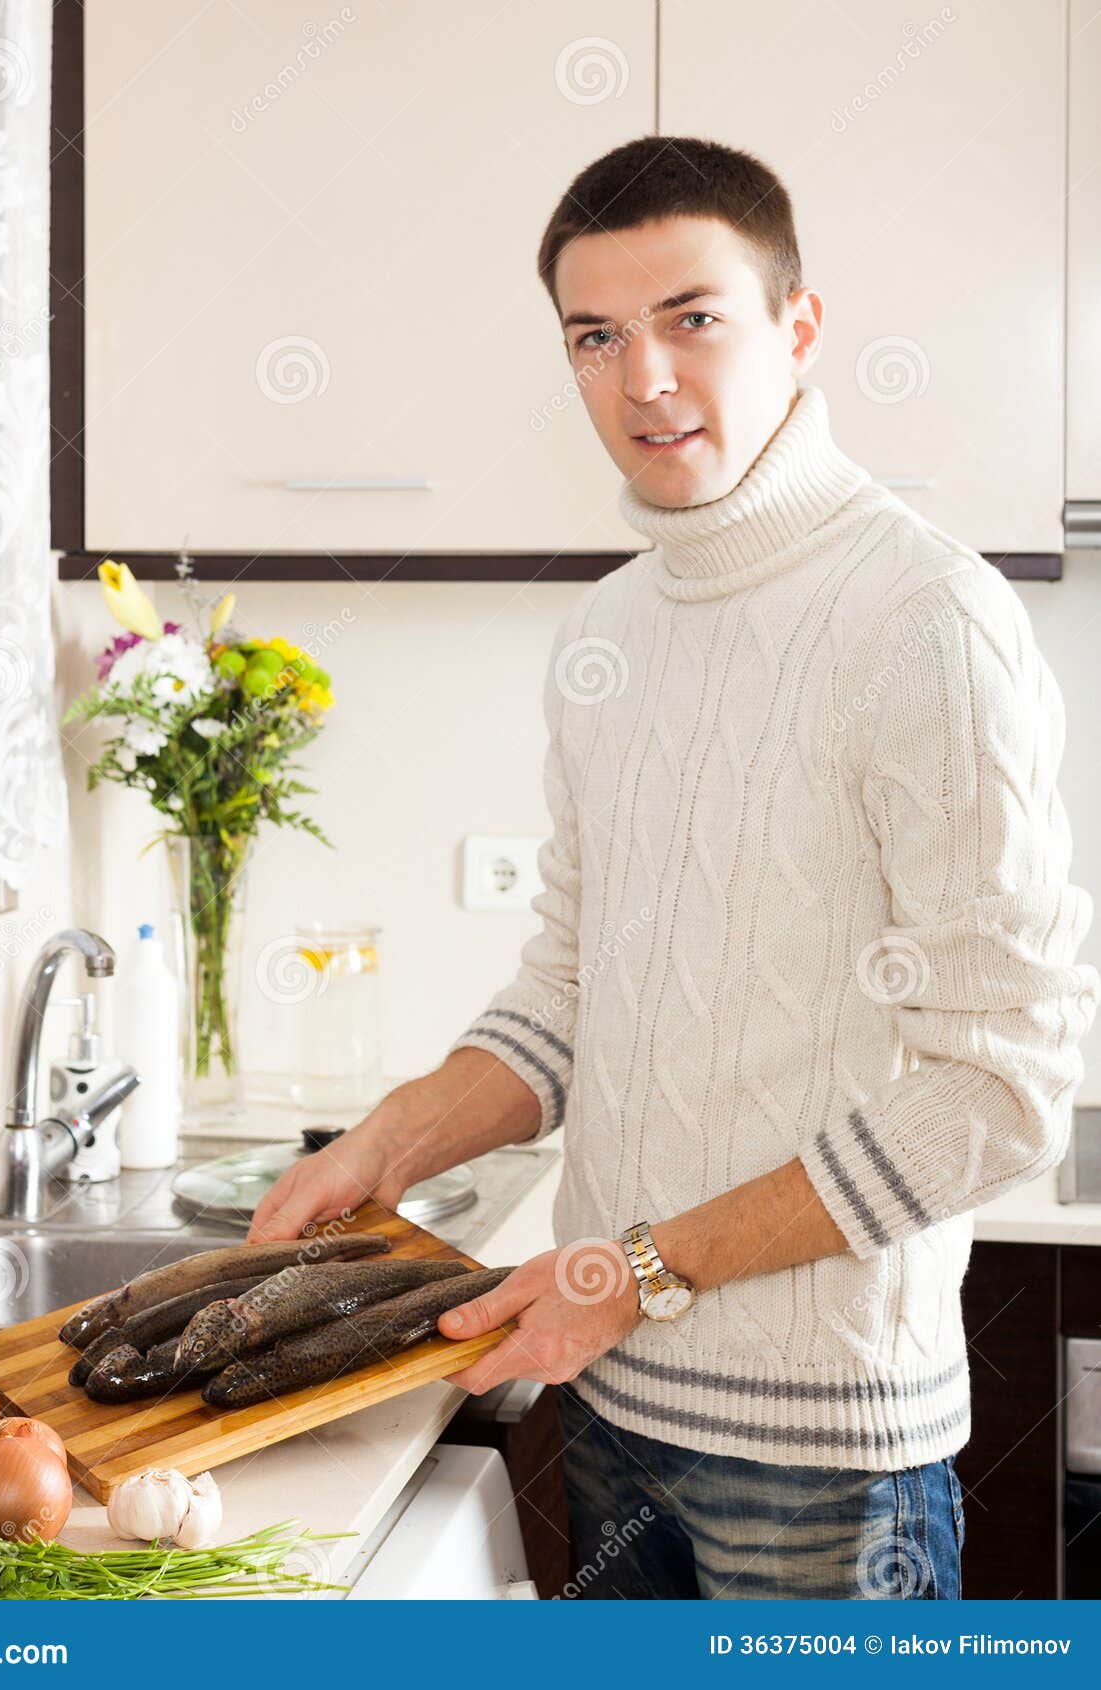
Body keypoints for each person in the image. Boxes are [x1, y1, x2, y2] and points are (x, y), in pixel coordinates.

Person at [248, 136, 1098, 1600]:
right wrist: (382, 1146)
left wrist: (631, 1270)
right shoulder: (612, 631)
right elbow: (571, 987)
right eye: (595, 336)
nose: (640, 379)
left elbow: (1002, 1089)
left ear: (798, 326)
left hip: (824, 1460)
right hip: (614, 1406)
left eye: (690, 318)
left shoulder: (924, 618)